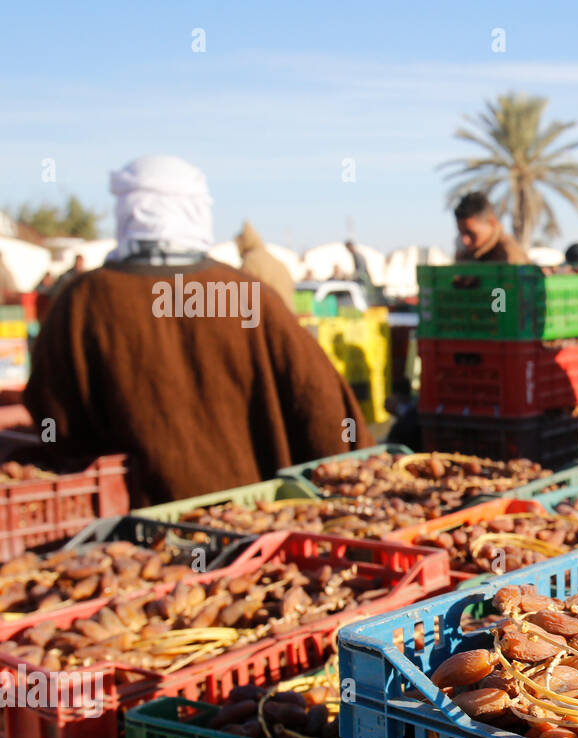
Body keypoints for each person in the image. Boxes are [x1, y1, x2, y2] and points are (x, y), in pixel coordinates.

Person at [24, 155, 372, 506]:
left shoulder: (81, 301)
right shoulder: (248, 296)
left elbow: (53, 420)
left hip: (134, 537)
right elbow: (324, 408)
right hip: (253, 526)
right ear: (196, 211)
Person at [453, 192, 529, 264]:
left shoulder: (509, 257)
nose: (465, 241)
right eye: (461, 233)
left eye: (471, 233)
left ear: (491, 223)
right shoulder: (466, 253)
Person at [234, 220, 296, 310]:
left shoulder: (251, 260)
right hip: (286, 315)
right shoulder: (273, 260)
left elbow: (242, 292)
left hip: (270, 316)